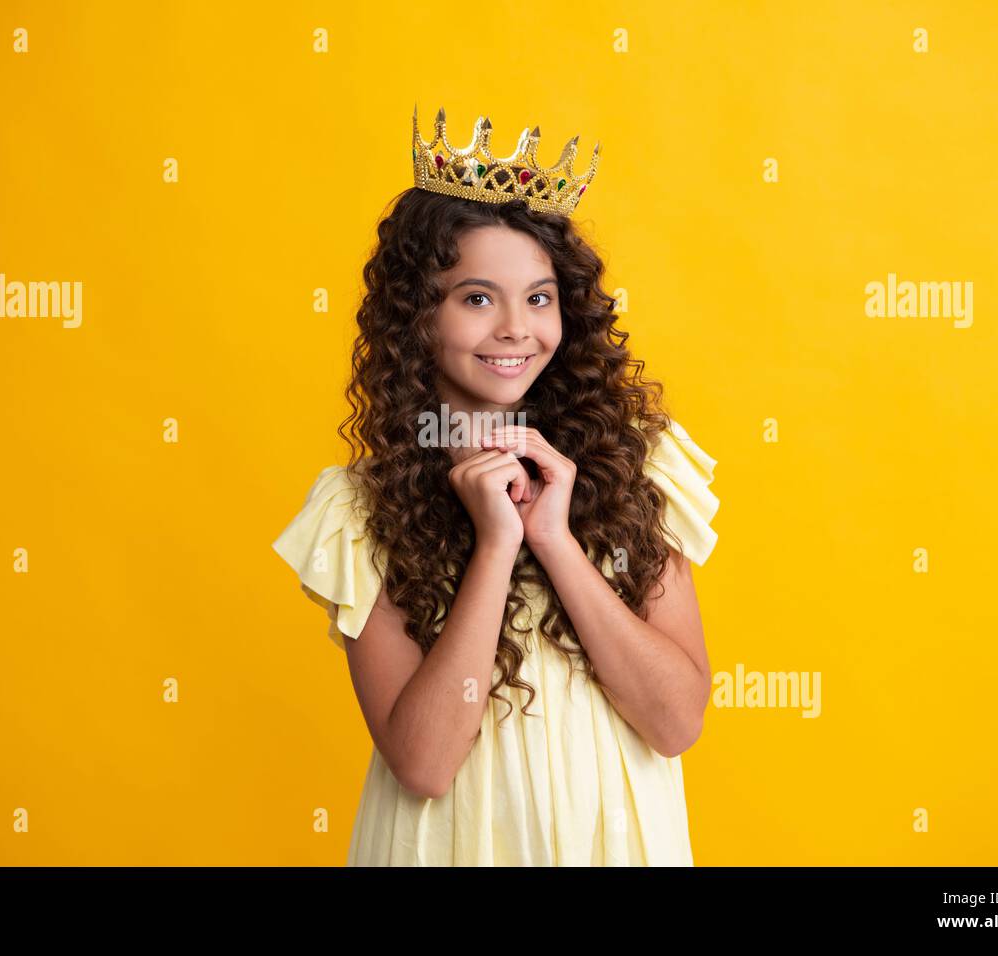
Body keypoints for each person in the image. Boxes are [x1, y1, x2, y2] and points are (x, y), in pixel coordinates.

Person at [272, 105, 721, 865]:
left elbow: (675, 723)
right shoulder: (358, 511)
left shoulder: (631, 470)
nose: (516, 327)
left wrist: (553, 537)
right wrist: (495, 546)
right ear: (418, 316)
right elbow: (423, 763)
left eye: (538, 298)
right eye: (478, 297)